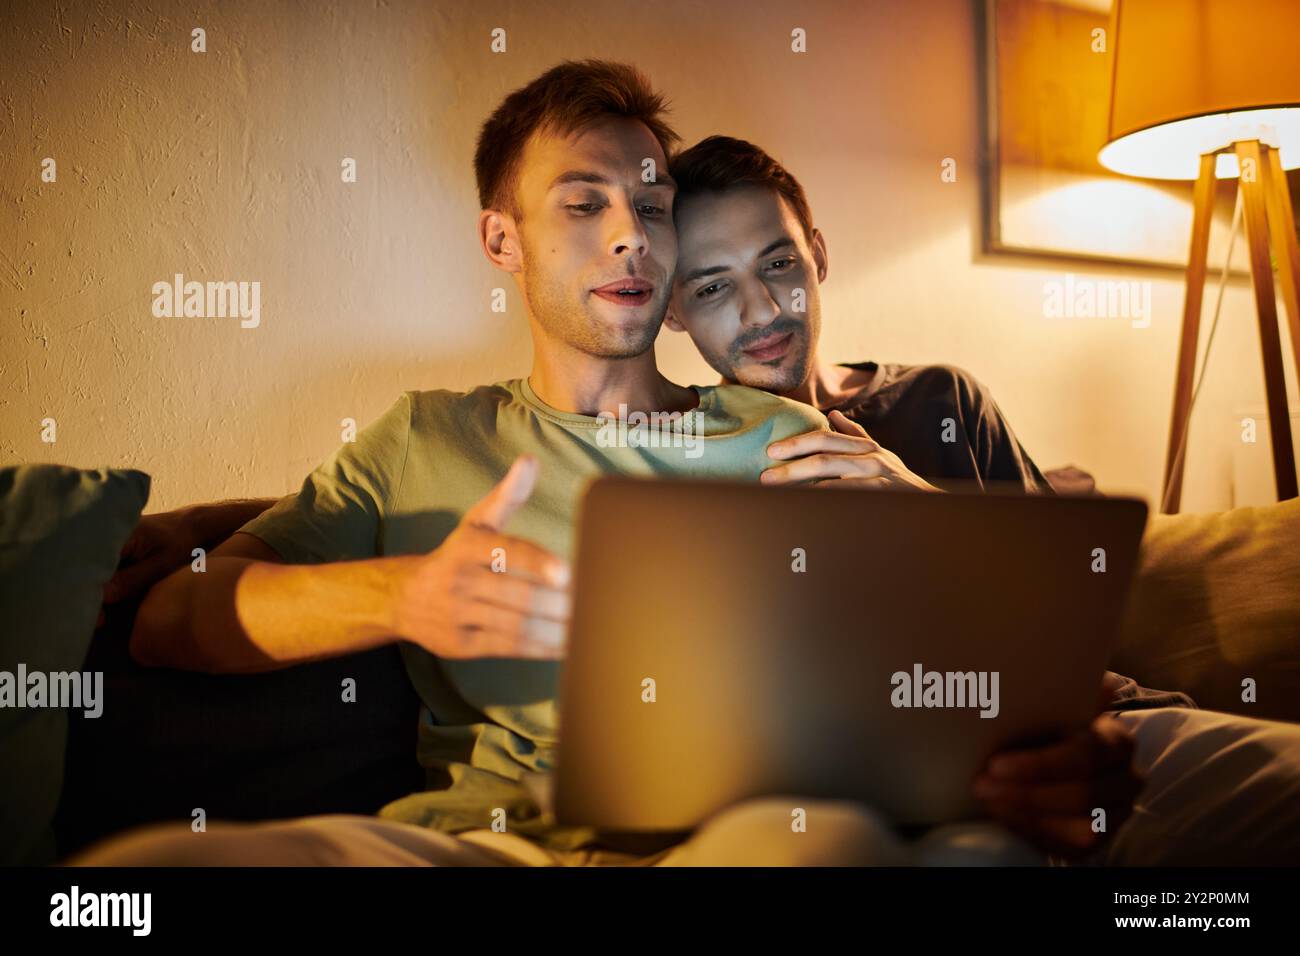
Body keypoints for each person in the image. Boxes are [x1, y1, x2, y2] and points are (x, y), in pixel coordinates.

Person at [79, 60, 1146, 867]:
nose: (629, 236)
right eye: (583, 204)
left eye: (647, 206)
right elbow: (172, 618)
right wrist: (405, 594)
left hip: (750, 830)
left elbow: (981, 666)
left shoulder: (780, 434)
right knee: (159, 867)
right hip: (489, 841)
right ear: (503, 241)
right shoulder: (421, 439)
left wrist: (1054, 739)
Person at [665, 135, 1054, 495]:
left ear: (817, 258)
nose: (763, 311)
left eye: (779, 263)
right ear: (671, 313)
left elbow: (1073, 568)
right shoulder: (678, 456)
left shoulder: (945, 399)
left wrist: (932, 514)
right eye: (712, 288)